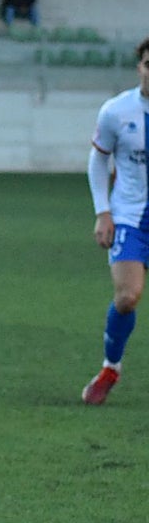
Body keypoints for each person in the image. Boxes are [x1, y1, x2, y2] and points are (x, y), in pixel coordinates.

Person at [82, 37, 149, 405]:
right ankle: (110, 368)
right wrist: (102, 211)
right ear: (140, 67)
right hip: (130, 217)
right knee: (127, 297)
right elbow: (98, 160)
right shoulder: (116, 111)